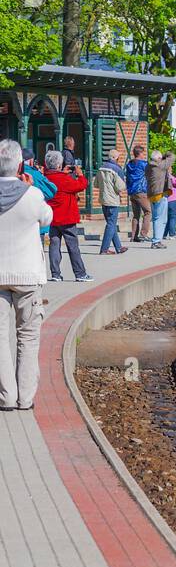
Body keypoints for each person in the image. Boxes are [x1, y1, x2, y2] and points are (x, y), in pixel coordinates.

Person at [0, 139, 53, 411]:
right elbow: (47, 218)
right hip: (28, 276)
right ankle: (25, 399)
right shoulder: (31, 195)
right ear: (20, 164)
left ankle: (6, 396)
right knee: (28, 337)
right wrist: (31, 187)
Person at [44, 150, 92, 282]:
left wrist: (62, 172)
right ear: (59, 165)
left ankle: (55, 274)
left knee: (54, 245)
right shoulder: (64, 179)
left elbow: (56, 179)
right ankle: (80, 273)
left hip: (53, 218)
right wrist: (80, 175)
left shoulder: (46, 177)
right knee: (73, 246)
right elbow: (81, 185)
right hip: (67, 217)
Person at [21, 148, 56, 247]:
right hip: (35, 221)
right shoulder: (35, 174)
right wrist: (41, 175)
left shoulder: (12, 173)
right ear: (31, 161)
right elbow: (51, 191)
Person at [97, 148, 128, 255]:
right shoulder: (117, 169)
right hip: (112, 199)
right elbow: (120, 186)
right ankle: (104, 249)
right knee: (111, 224)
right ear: (116, 158)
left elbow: (96, 183)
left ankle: (118, 247)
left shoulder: (101, 167)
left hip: (103, 198)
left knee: (111, 223)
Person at [146, 149, 174, 249]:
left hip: (151, 194)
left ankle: (156, 239)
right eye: (160, 158)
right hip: (160, 195)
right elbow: (172, 157)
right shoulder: (160, 166)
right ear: (158, 158)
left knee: (155, 218)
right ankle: (156, 241)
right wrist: (166, 154)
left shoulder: (148, 166)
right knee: (161, 218)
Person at [125, 145, 151, 242]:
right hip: (141, 191)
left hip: (132, 192)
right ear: (140, 153)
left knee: (136, 215)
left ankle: (133, 236)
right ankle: (143, 234)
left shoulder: (129, 164)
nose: (144, 155)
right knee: (148, 212)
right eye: (143, 153)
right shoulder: (143, 164)